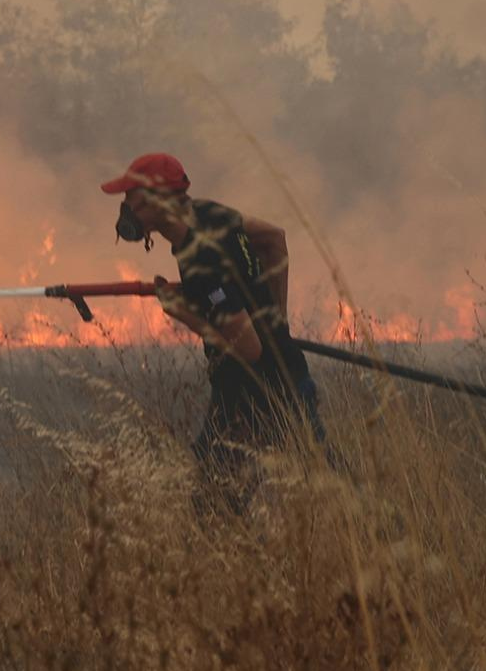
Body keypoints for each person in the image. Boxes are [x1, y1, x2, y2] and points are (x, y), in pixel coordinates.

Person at [101, 152, 328, 514]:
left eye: (132, 200)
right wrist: (275, 322)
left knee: (216, 509)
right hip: (288, 375)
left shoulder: (198, 258)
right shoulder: (208, 213)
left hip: (251, 398)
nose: (125, 210)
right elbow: (273, 239)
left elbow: (250, 349)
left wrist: (185, 314)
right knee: (335, 485)